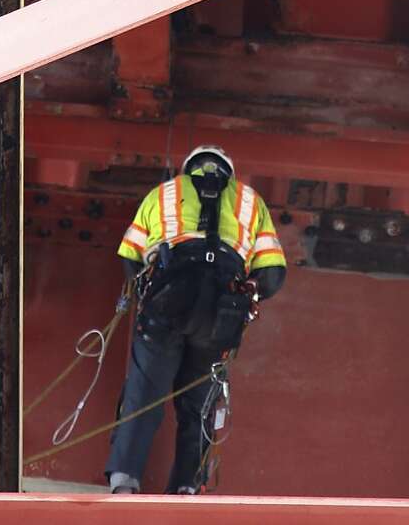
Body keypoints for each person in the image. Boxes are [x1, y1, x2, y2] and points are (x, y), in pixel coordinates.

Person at [105, 145, 287, 495]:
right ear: (228, 172)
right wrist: (250, 293)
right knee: (200, 403)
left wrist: (146, 295)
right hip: (222, 307)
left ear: (189, 168)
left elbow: (130, 256)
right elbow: (273, 274)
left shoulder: (163, 193)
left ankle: (124, 481)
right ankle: (186, 487)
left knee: (145, 392)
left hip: (169, 296)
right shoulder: (250, 201)